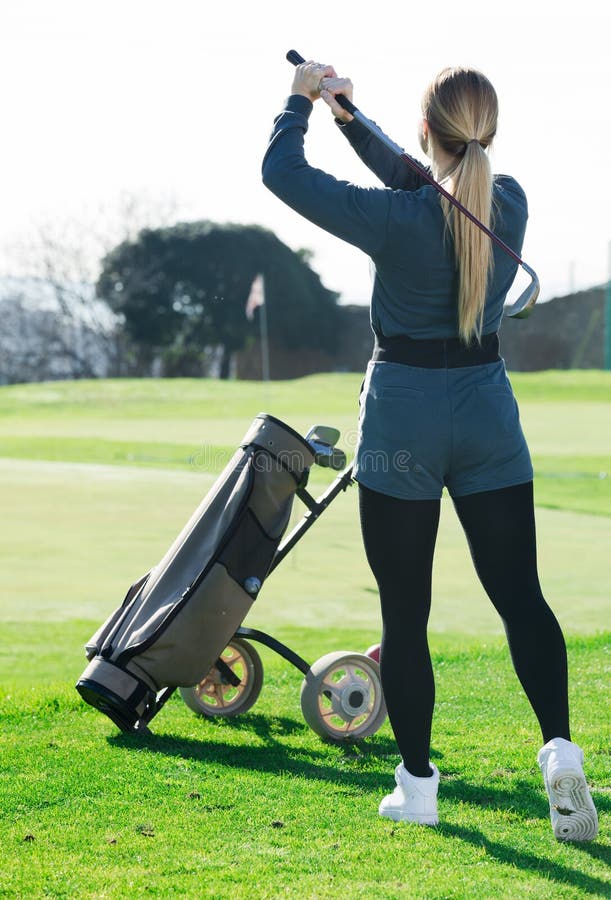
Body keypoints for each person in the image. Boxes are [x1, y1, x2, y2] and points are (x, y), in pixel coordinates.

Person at [262, 60, 598, 841]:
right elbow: (425, 177)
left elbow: (281, 172)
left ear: (428, 131)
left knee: (404, 615)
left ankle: (416, 786)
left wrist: (299, 100)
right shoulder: (505, 202)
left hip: (404, 416)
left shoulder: (393, 218)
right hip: (486, 410)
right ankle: (557, 749)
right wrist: (351, 119)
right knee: (521, 597)